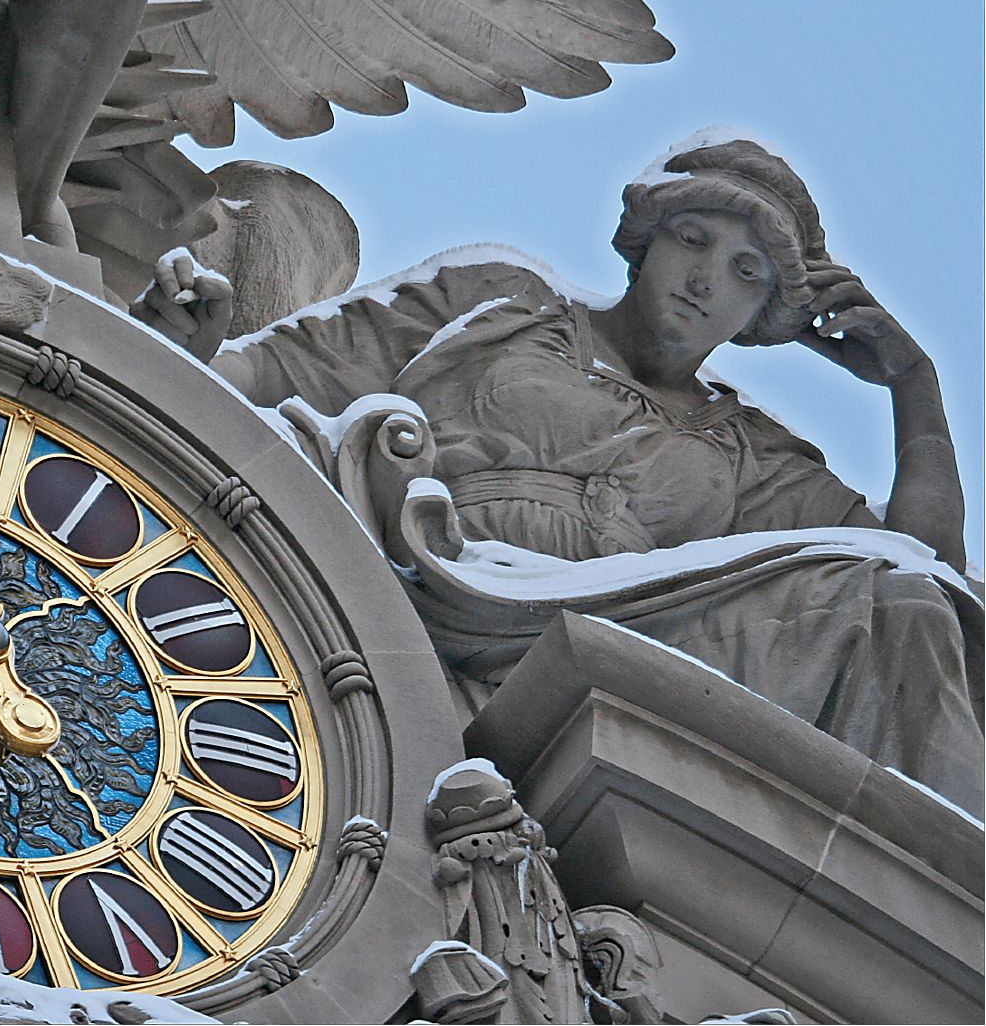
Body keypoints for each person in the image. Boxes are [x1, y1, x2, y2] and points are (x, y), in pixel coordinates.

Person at [134, 136, 984, 810]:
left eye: (746, 273)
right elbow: (275, 370)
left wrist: (916, 388)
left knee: (896, 604)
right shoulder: (503, 303)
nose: (704, 280)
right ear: (644, 242)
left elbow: (924, 572)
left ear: (765, 313)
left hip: (614, 640)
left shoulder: (752, 452)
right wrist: (191, 339)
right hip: (438, 577)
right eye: (693, 240)